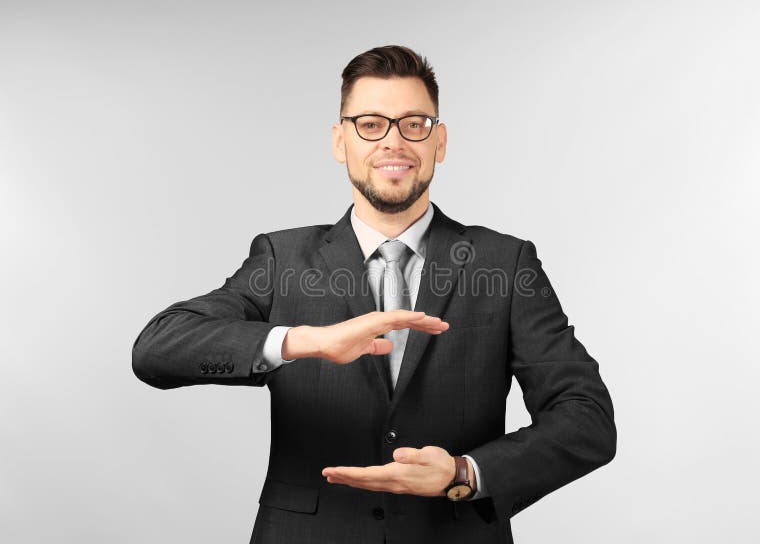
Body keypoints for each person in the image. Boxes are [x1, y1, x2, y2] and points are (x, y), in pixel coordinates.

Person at [132, 45, 616, 544]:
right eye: (370, 125)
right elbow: (157, 349)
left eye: (414, 124)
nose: (394, 142)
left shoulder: (505, 263)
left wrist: (464, 472)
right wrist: (305, 341)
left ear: (439, 141)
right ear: (340, 141)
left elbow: (587, 418)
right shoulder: (282, 258)